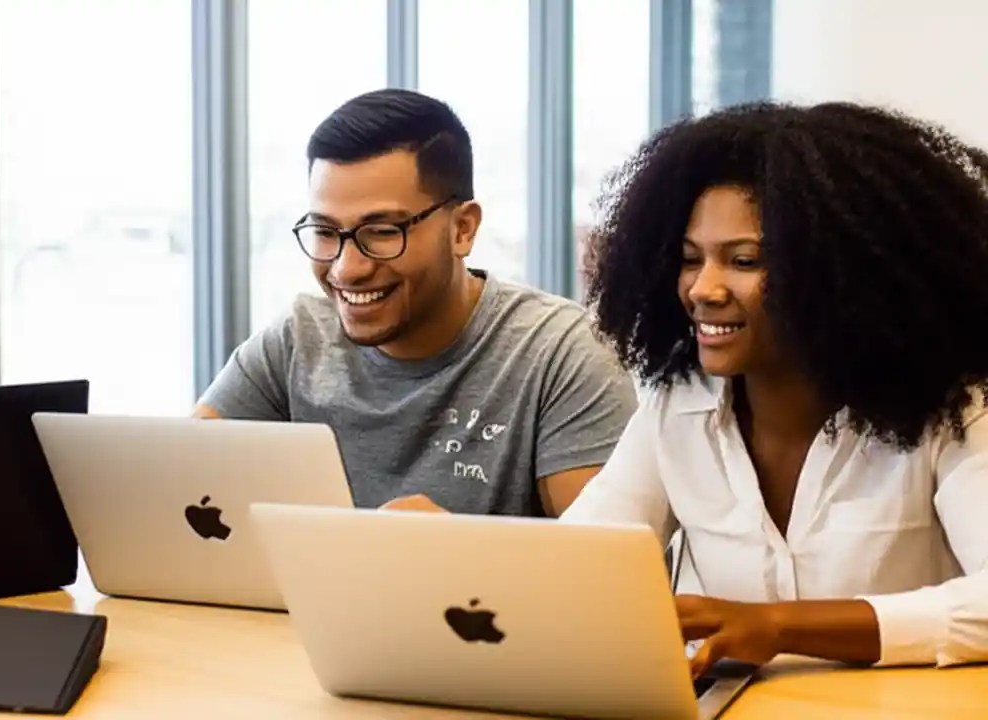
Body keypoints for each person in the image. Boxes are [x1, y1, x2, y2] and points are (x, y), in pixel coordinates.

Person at [562, 101, 988, 677]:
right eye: (691, 260)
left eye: (744, 260)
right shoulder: (678, 404)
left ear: (839, 270)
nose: (704, 289)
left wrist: (779, 625)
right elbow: (579, 559)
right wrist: (460, 554)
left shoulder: (950, 408)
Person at [196, 89, 636, 517]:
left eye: (383, 232)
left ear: (463, 228)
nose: (347, 269)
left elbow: (605, 571)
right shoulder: (298, 341)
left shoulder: (559, 353)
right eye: (326, 233)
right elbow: (181, 476)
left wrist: (449, 553)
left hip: (469, 596)